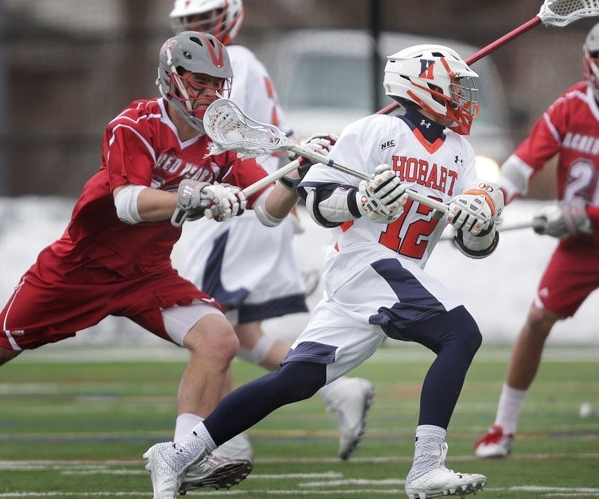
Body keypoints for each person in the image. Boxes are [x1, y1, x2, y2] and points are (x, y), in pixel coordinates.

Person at [0, 31, 304, 490]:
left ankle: (182, 456)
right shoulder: (135, 123)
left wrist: (295, 177)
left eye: (219, 84)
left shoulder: (222, 143)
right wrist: (195, 193)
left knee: (219, 339)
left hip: (147, 274)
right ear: (171, 78)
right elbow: (127, 203)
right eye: (200, 81)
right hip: (80, 269)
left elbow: (268, 211)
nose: (211, 94)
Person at [144, 43, 500, 499]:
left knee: (296, 380)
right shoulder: (375, 131)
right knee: (461, 333)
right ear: (424, 86)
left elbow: (477, 245)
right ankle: (426, 466)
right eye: (454, 87)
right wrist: (362, 201)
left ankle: (175, 455)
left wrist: (480, 223)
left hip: (393, 275)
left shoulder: (461, 153)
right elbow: (319, 201)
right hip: (364, 261)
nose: (462, 97)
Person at [168, 0, 376, 479]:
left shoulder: (231, 62)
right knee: (239, 334)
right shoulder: (248, 62)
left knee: (206, 326)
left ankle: (222, 441)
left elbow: (216, 136)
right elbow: (275, 135)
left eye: (205, 17)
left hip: (237, 210)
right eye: (190, 20)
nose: (197, 27)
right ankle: (338, 389)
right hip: (256, 199)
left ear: (228, 17)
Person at [473, 18, 599, 459]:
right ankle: (503, 427)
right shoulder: (571, 104)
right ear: (590, 60)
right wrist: (490, 201)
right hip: (586, 243)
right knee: (537, 320)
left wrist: (586, 214)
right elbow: (522, 165)